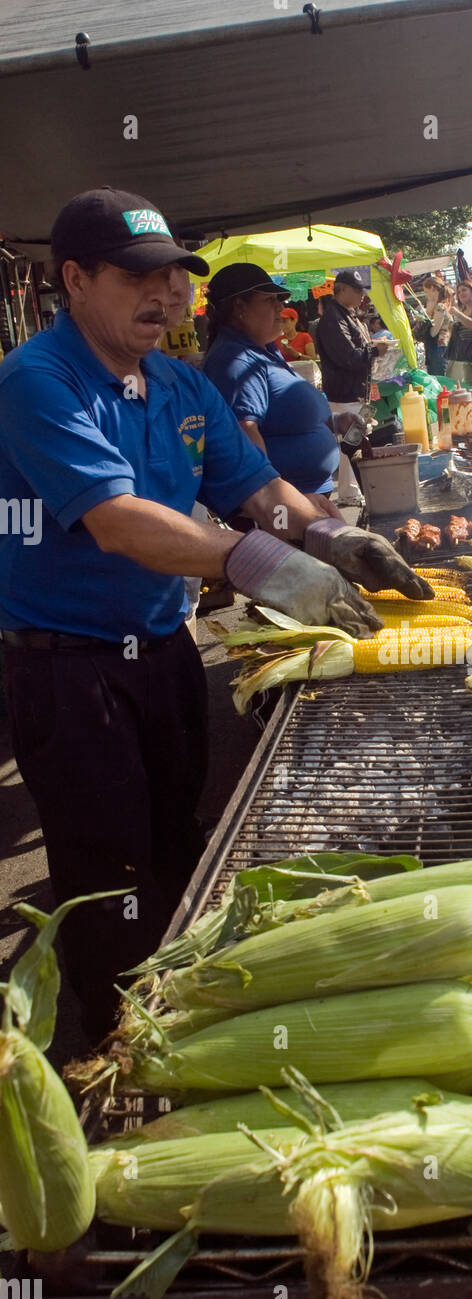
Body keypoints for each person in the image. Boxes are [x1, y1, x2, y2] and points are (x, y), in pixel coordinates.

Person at [0, 187, 428, 1044]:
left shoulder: (175, 385)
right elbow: (116, 520)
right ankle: (118, 1047)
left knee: (174, 841)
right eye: (138, 278)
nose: (164, 295)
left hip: (161, 649)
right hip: (68, 671)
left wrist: (336, 537)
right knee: (106, 873)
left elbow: (256, 489)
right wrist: (253, 560)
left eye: (173, 277)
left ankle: (185, 1019)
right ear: (73, 279)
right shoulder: (35, 382)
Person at [202, 263, 352, 501]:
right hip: (286, 510)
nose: (281, 307)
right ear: (239, 307)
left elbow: (282, 415)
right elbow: (245, 434)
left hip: (306, 500)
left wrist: (333, 421)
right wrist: (282, 503)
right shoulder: (234, 360)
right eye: (270, 300)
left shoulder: (263, 350)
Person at [316, 269, 390, 503]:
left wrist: (373, 348)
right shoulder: (333, 319)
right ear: (343, 290)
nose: (361, 295)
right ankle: (351, 491)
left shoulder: (349, 316)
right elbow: (347, 357)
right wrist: (374, 350)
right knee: (350, 444)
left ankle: (353, 490)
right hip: (344, 393)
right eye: (357, 290)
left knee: (354, 441)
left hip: (357, 392)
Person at [446, 278, 472, 388]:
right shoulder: (463, 310)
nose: (461, 294)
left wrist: (459, 315)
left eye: (464, 290)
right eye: (459, 292)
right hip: (466, 355)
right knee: (471, 388)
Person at [419, 277, 453, 377]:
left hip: (438, 347)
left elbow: (434, 332)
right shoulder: (445, 304)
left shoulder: (440, 307)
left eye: (426, 291)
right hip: (441, 346)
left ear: (433, 289)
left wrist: (425, 317)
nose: (426, 295)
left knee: (438, 379)